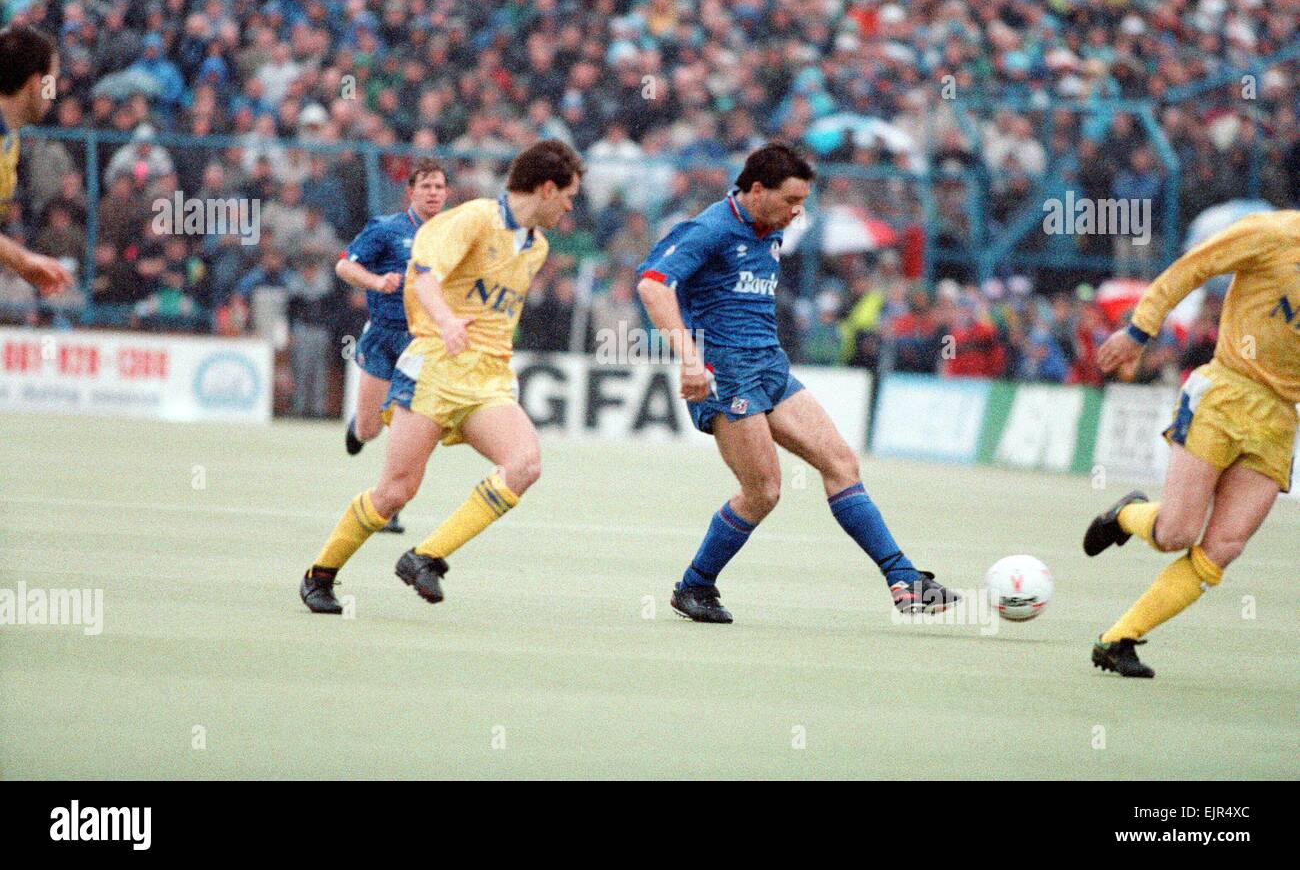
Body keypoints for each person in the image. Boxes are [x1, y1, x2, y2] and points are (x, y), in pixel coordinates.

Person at [635, 142, 960, 623]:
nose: (797, 211)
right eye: (790, 200)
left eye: (802, 201)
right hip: (727, 375)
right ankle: (695, 586)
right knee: (764, 491)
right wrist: (689, 360)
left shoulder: (771, 226)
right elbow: (652, 283)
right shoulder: (712, 228)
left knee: (841, 463)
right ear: (758, 189)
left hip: (770, 366)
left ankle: (903, 579)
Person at [299, 140, 584, 614]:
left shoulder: (537, 248)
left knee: (525, 465)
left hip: (486, 380)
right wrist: (447, 322)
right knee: (395, 493)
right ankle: (320, 575)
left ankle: (425, 557)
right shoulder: (475, 218)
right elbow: (424, 276)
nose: (572, 206)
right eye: (569, 195)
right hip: (433, 369)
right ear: (548, 189)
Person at [1084, 210, 1300, 677]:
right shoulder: (1274, 234)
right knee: (1175, 534)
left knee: (1223, 546)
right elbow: (1192, 268)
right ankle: (1125, 514)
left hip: (1280, 420)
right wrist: (1139, 331)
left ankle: (1117, 639)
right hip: (1225, 394)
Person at [334, 158, 449, 535]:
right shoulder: (386, 229)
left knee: (405, 424)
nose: (433, 193)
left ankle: (390, 504)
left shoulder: (454, 235)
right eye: (426, 186)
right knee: (371, 428)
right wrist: (375, 281)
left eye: (439, 187)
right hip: (384, 335)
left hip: (423, 344)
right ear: (411, 192)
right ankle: (357, 427)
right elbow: (345, 267)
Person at [0, 26, 73, 298]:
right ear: (34, 83)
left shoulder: (11, 135)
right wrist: (22, 260)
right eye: (52, 81)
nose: (54, 93)